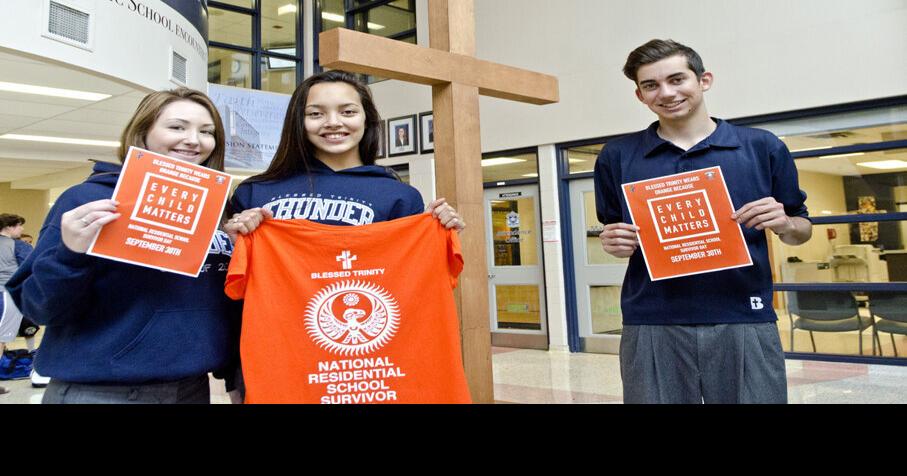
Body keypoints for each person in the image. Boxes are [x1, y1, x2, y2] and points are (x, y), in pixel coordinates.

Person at [594, 39, 812, 404]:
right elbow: (616, 233)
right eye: (651, 85)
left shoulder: (761, 146)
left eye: (677, 79)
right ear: (640, 95)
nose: (666, 92)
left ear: (704, 80)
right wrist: (612, 241)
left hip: (744, 314)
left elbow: (801, 231)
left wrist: (786, 224)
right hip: (652, 318)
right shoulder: (617, 156)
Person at [224, 70, 463, 402]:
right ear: (298, 121)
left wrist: (438, 229)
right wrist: (232, 237)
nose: (333, 122)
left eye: (347, 111)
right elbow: (234, 292)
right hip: (281, 365)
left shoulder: (397, 196)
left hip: (362, 371)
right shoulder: (255, 192)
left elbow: (411, 294)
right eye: (316, 113)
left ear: (367, 119)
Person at [5, 88, 241, 404]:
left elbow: (218, 302)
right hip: (101, 391)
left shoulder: (214, 209)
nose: (193, 140)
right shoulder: (86, 200)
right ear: (142, 131)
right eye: (177, 127)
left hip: (191, 387)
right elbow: (39, 308)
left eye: (207, 131)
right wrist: (70, 252)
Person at [0, 214, 33, 395]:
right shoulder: (18, 245)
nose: (21, 231)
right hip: (6, 294)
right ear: (10, 227)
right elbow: (31, 267)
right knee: (1, 338)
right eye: (19, 226)